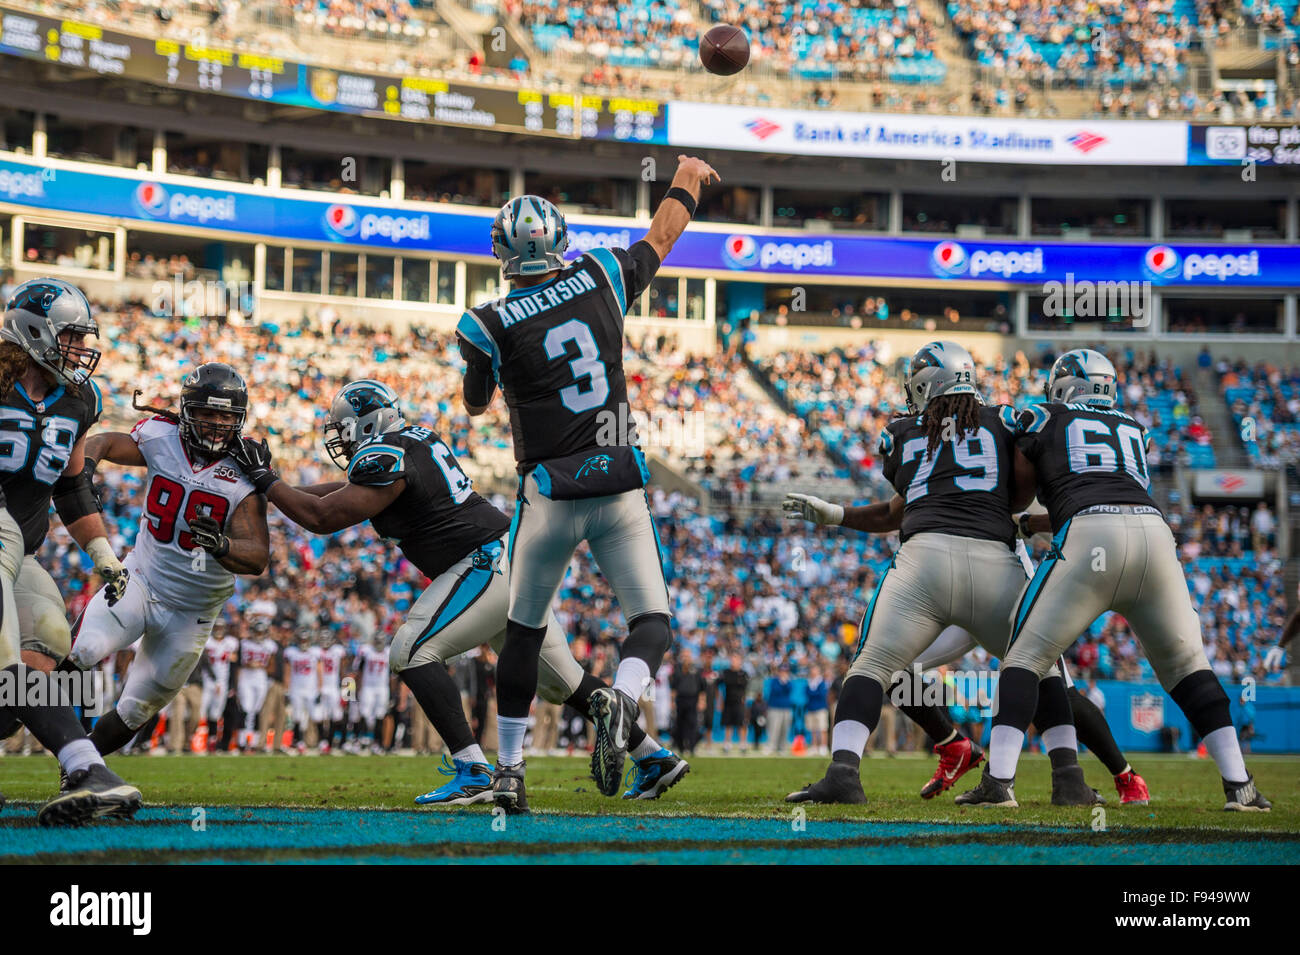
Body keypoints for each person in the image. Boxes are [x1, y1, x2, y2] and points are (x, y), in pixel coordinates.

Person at [231, 380, 687, 807]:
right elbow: (336, 495)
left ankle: (472, 770)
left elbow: (321, 517)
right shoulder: (409, 442)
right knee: (562, 683)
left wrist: (268, 481)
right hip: (511, 560)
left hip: (486, 563)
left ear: (366, 424)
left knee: (412, 650)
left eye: (346, 430)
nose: (343, 441)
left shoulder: (386, 455)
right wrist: (270, 487)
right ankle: (653, 757)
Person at [454, 156, 720, 806]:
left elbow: (475, 403)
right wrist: (685, 179)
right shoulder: (599, 273)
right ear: (561, 238)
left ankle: (511, 772)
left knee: (523, 632)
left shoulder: (487, 320)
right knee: (651, 620)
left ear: (504, 253)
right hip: (618, 480)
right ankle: (624, 703)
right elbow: (660, 239)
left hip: (548, 489)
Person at [786, 341, 1095, 806]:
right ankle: (1068, 778)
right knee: (1040, 666)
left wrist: (835, 514)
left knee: (871, 666)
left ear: (926, 386)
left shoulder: (905, 431)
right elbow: (1017, 494)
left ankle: (844, 773)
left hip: (924, 561)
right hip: (995, 561)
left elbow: (899, 509)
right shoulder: (1008, 422)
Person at [960, 349, 1270, 811]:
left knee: (1023, 657)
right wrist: (1039, 523)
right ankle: (1240, 785)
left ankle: (999, 783)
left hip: (1089, 539)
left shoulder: (1042, 416)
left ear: (1063, 387)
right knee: (1189, 666)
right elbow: (1105, 488)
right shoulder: (1133, 427)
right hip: (1153, 536)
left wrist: (1013, 512)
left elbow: (1041, 491)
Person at [66, 363, 270, 759]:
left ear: (239, 419)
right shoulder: (162, 436)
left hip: (192, 612)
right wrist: (83, 470)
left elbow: (258, 556)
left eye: (226, 415)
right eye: (207, 413)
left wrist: (222, 545)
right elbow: (104, 441)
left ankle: (78, 768)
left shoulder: (247, 470)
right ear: (187, 411)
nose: (216, 424)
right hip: (140, 581)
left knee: (135, 710)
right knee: (80, 652)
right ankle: (14, 723)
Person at [0, 277, 141, 823]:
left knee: (45, 645)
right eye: (71, 337)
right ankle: (85, 764)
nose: (81, 350)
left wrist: (102, 552)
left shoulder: (80, 398)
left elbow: (71, 485)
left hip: (21, 550)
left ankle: (84, 767)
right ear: (34, 333)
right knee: (3, 655)